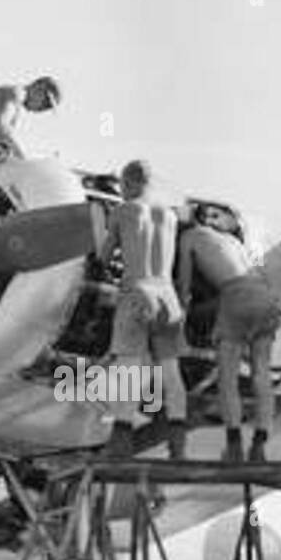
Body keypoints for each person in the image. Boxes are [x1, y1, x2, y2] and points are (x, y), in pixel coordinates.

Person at [96, 160, 188, 459]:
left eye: (122, 186)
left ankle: (121, 443)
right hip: (167, 297)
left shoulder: (124, 210)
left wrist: (101, 239)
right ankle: (178, 447)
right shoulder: (170, 216)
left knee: (129, 372)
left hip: (136, 292)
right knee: (171, 374)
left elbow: (103, 256)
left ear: (129, 183)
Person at [177, 206, 279, 462]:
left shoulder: (190, 237)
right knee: (262, 376)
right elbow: (261, 266)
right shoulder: (236, 242)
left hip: (236, 296)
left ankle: (233, 445)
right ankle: (260, 445)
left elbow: (184, 288)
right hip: (265, 298)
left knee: (227, 376)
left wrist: (178, 323)